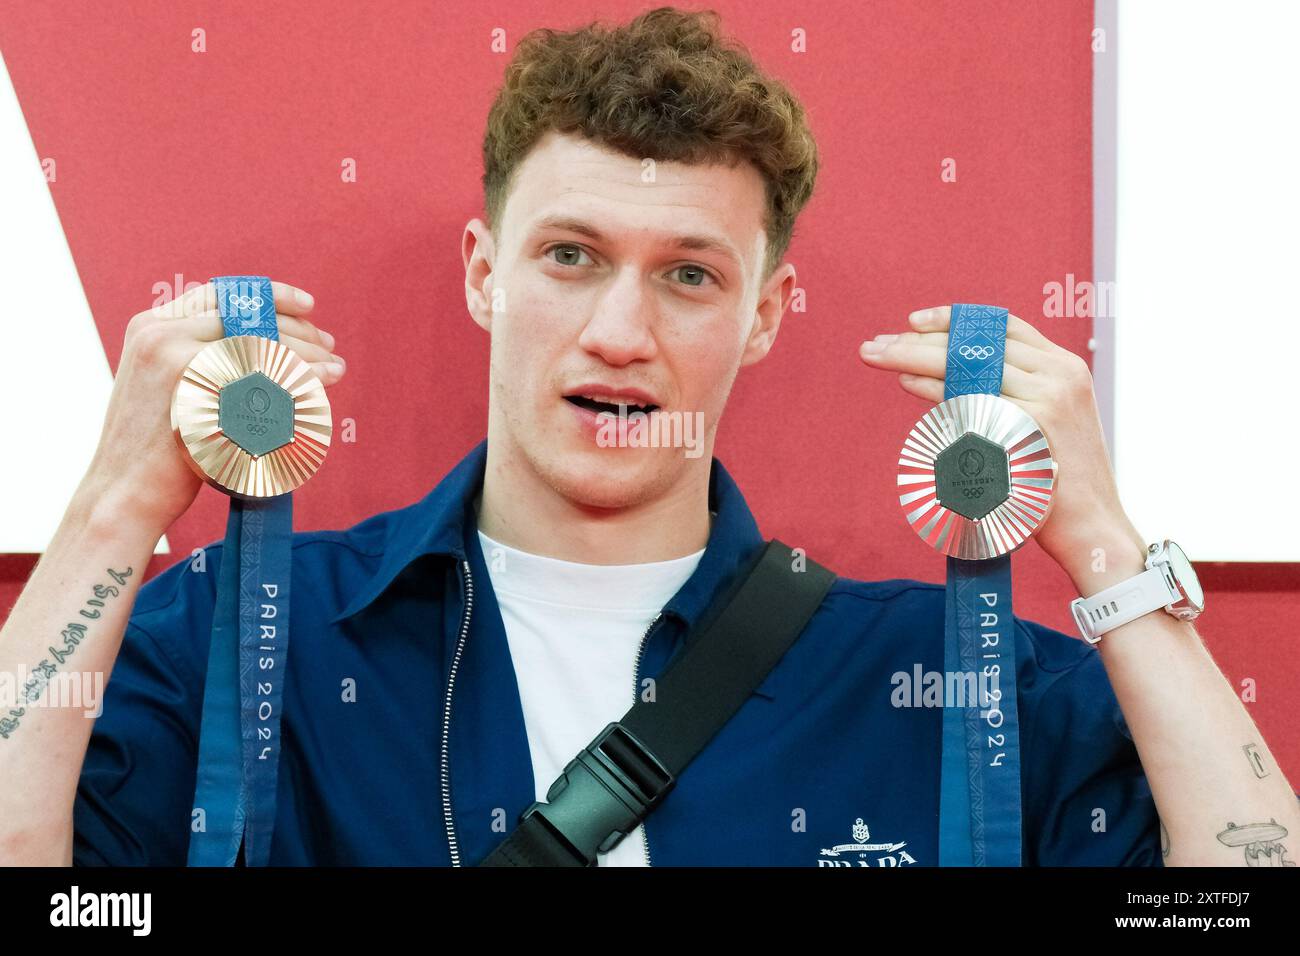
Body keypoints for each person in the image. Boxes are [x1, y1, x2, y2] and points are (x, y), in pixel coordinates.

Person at [1, 6, 1295, 868]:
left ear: (766, 315)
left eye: (688, 275)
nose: (621, 331)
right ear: (482, 275)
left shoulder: (954, 684)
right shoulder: (246, 634)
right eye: (569, 257)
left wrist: (1108, 545)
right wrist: (115, 507)